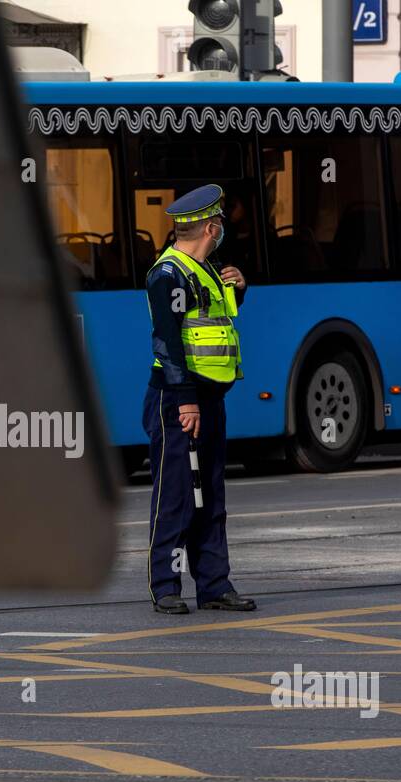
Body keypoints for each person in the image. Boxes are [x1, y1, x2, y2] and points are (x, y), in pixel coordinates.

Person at [144, 183, 257, 615]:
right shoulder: (167, 274)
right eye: (221, 224)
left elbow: (214, 320)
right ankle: (165, 585)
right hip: (178, 400)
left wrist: (239, 288)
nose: (223, 229)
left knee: (209, 495)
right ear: (211, 226)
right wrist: (185, 401)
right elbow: (168, 343)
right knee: (174, 495)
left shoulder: (207, 268)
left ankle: (214, 585)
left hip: (209, 397)